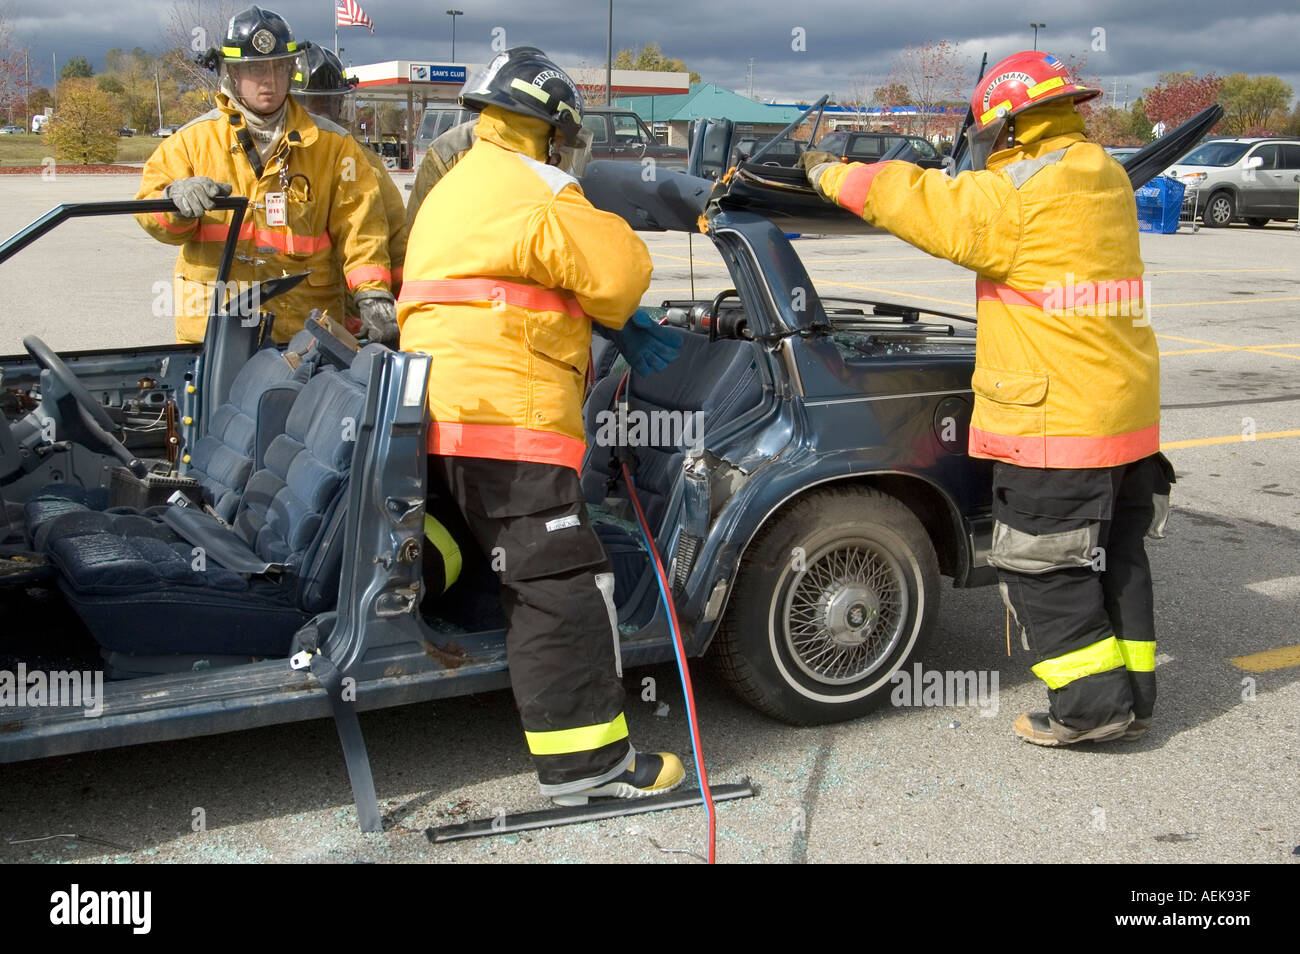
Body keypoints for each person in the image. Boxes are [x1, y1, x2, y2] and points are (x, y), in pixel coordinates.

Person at [801, 51, 1174, 746]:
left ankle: (1092, 711)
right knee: (1114, 558)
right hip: (1123, 417)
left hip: (1055, 423)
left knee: (1045, 565)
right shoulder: (1103, 176)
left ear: (1005, 128)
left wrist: (827, 171)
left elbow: (921, 203)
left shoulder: (1016, 194)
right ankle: (1133, 697)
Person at [398, 47, 687, 803]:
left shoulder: (457, 183)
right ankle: (588, 767)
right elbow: (619, 274)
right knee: (561, 578)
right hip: (509, 416)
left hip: (441, 411)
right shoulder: (540, 186)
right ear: (552, 127)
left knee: (464, 537)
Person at [135, 6, 396, 345]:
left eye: (279, 67)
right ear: (231, 73)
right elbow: (152, 215)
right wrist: (176, 201)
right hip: (216, 335)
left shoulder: (334, 146)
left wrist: (373, 295)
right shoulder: (192, 142)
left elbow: (361, 227)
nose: (269, 81)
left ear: (292, 70)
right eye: (256, 69)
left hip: (305, 334)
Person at [295, 41, 408, 331]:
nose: (328, 118)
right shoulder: (274, 163)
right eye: (317, 109)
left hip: (349, 321)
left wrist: (391, 303)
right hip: (287, 321)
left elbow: (396, 241)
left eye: (333, 105)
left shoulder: (364, 163)